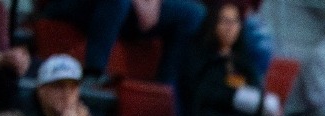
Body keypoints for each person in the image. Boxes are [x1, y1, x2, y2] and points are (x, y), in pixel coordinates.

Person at [42, 0, 206, 89]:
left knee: (193, 13)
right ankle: (93, 72)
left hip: (126, 9)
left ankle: (165, 89)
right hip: (78, 5)